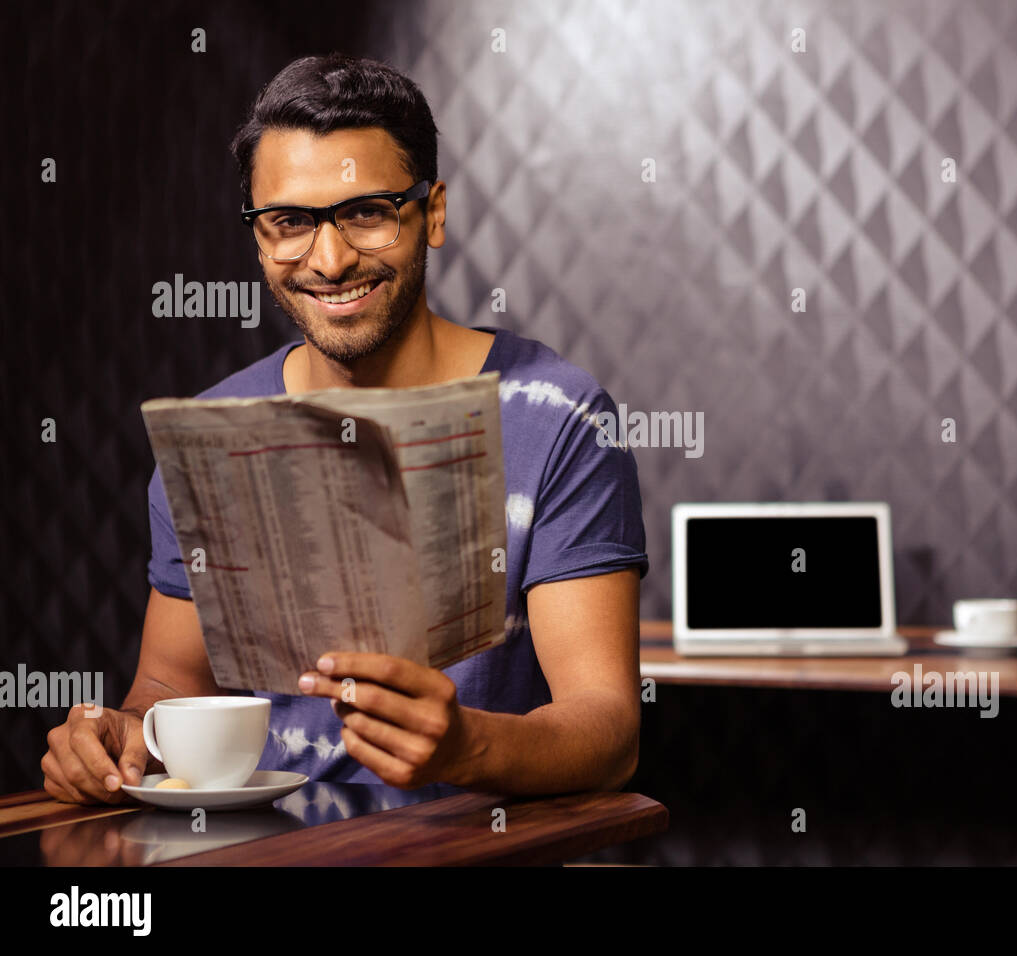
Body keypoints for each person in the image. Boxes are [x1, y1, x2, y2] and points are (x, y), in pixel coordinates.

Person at [41, 53, 648, 804]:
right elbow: (167, 686)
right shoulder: (214, 435)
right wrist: (120, 734)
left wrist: (466, 744)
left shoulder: (559, 417)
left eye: (366, 212)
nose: (329, 261)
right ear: (260, 237)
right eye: (290, 222)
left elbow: (611, 731)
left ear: (433, 213)